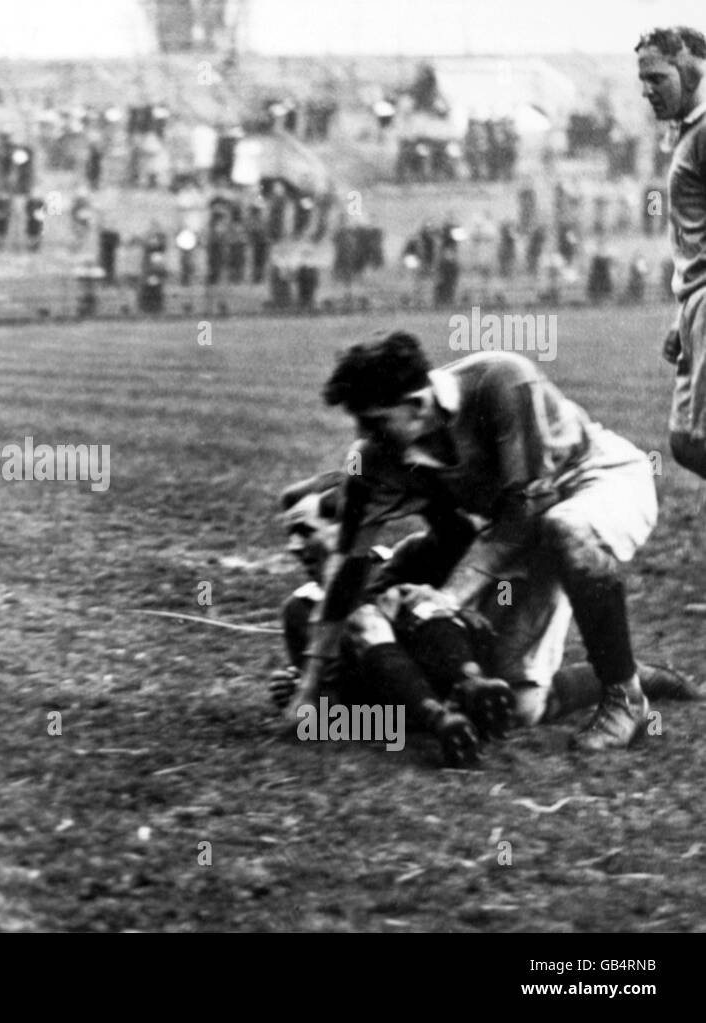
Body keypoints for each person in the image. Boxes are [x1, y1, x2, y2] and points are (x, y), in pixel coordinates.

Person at [283, 332, 660, 753]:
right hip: (521, 525)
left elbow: (529, 506)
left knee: (566, 527)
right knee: (516, 704)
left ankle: (625, 694)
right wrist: (313, 681)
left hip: (593, 477)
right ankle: (638, 672)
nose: (364, 435)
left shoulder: (502, 379)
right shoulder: (373, 458)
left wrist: (450, 596)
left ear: (418, 405)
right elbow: (347, 568)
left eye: (374, 421)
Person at [274, 471, 699, 765]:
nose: (294, 546)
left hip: (471, 669)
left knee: (520, 702)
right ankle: (446, 715)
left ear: (348, 525)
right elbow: (336, 710)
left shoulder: (402, 559)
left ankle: (638, 675)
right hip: (406, 709)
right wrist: (304, 695)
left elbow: (459, 535)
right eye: (290, 534)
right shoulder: (302, 608)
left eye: (305, 530)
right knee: (518, 708)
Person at [636, 26, 706, 478]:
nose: (647, 91)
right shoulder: (689, 132)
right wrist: (681, 319)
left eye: (657, 78)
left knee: (693, 440)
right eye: (642, 80)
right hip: (695, 306)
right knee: (688, 442)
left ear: (690, 65)